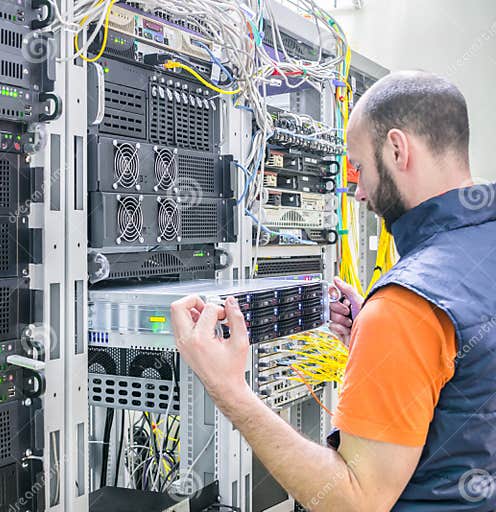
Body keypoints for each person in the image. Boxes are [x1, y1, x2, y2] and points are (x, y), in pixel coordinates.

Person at [171, 71, 496, 511]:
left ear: (397, 149)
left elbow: (354, 501)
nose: (357, 192)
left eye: (358, 167)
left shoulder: (408, 306)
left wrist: (228, 388)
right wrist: (383, 345)